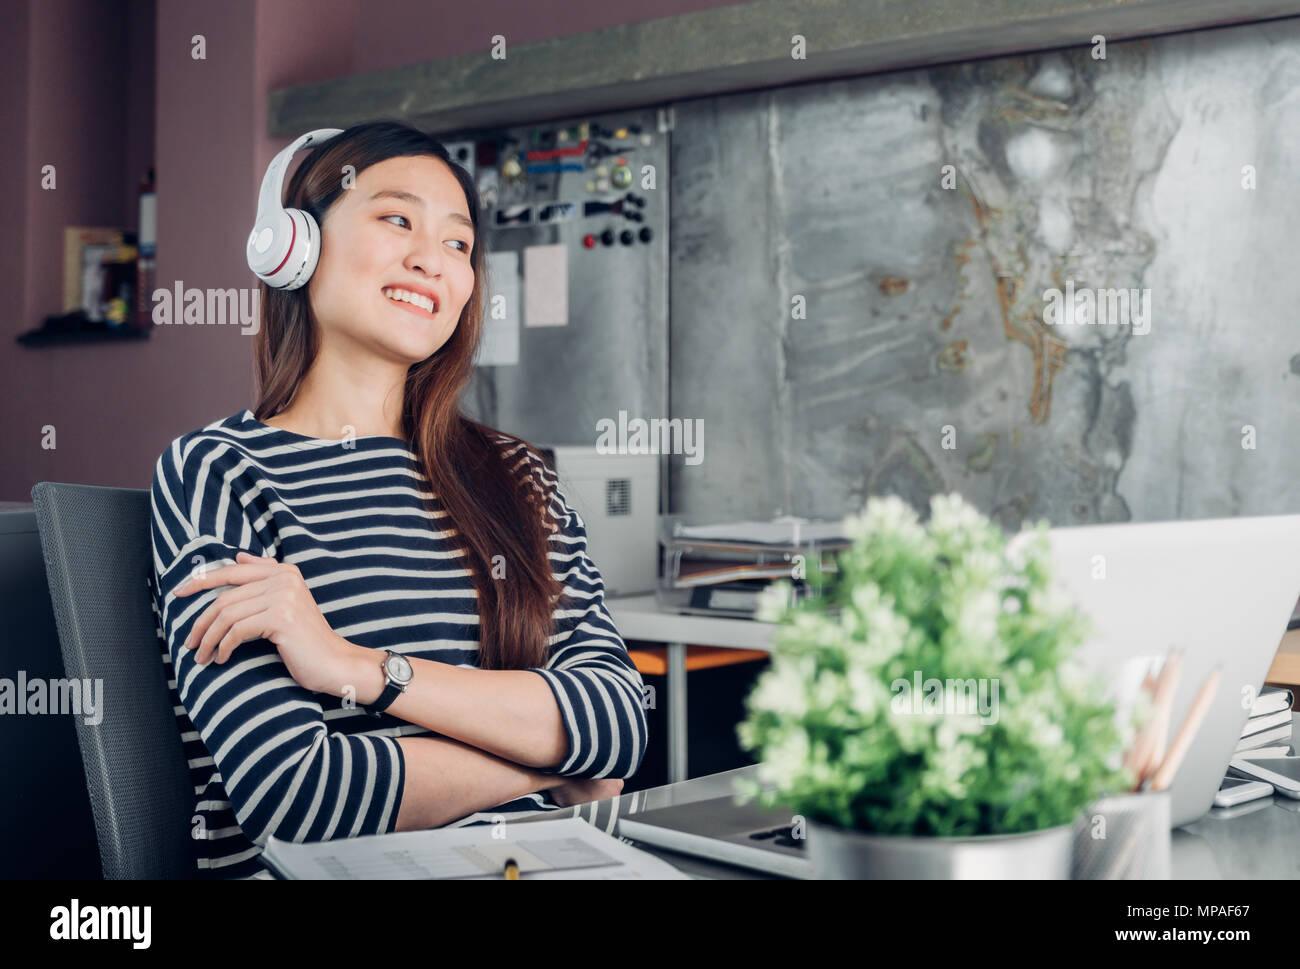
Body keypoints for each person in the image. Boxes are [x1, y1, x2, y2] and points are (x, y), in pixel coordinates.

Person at [148, 120, 648, 879]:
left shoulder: (518, 475)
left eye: (458, 244)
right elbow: (296, 792)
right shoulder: (216, 471)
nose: (432, 259)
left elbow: (617, 720)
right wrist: (547, 763)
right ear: (294, 247)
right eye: (396, 218)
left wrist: (361, 668)